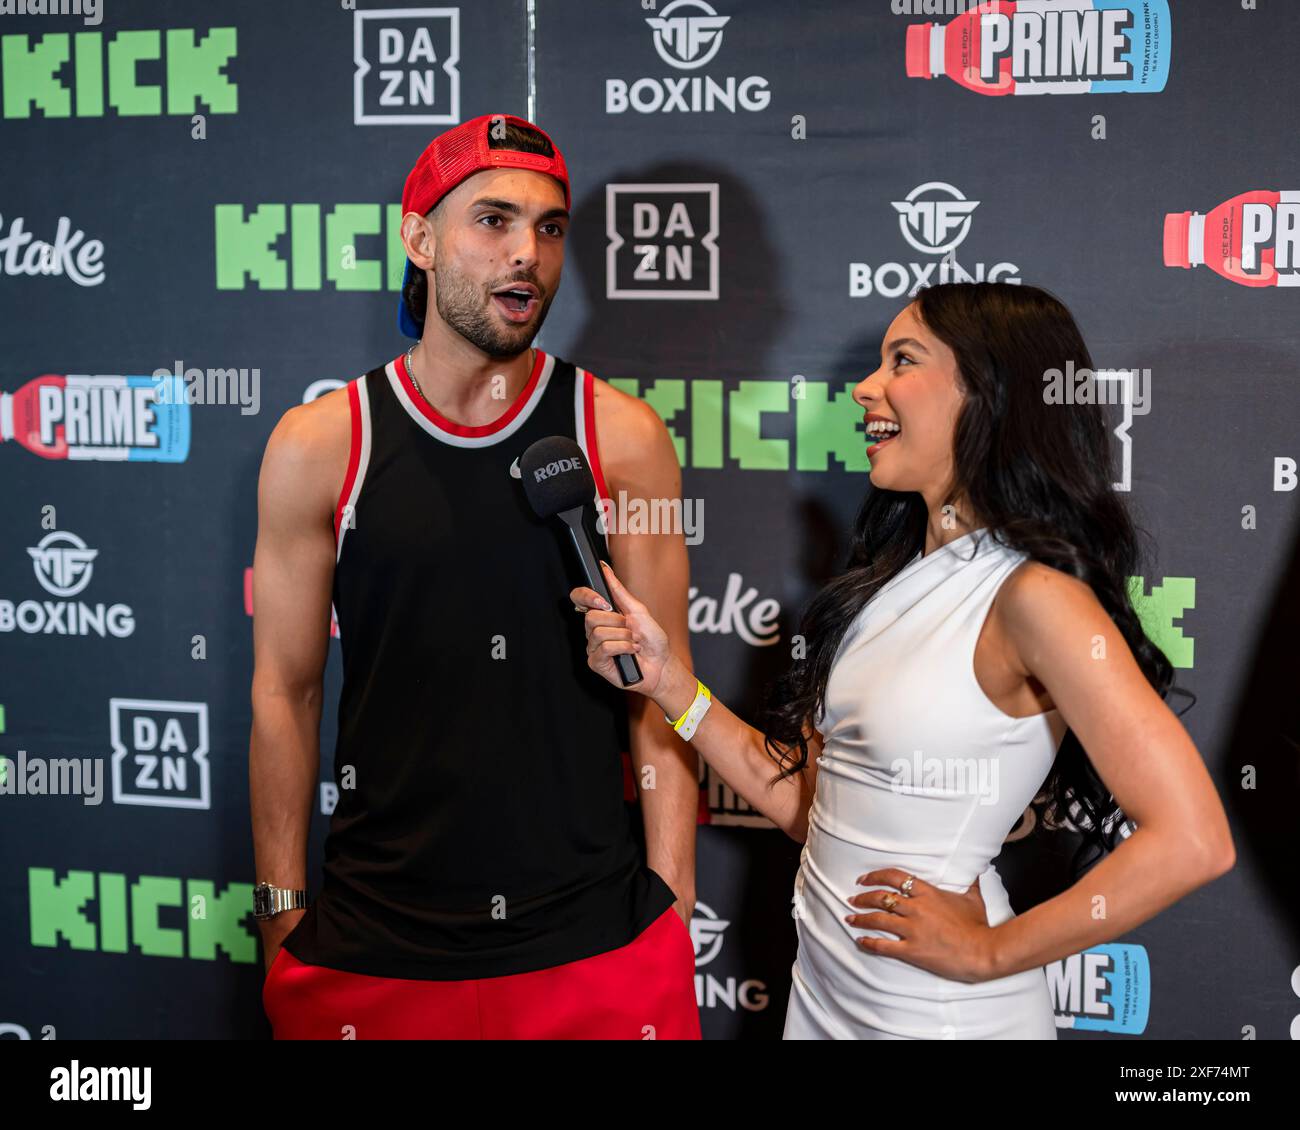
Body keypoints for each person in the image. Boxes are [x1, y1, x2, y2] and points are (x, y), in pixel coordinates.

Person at [570, 281, 1236, 1040]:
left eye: (903, 362)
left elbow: (1193, 838)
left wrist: (990, 951)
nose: (864, 388)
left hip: (940, 1020)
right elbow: (807, 809)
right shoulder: (889, 582)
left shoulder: (1032, 598)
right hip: (824, 1006)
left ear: (987, 395)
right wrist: (671, 687)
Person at [249, 113, 700, 1040]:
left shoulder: (623, 436)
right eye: (492, 221)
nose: (526, 253)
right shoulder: (321, 443)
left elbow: (663, 690)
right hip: (375, 944)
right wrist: (282, 914)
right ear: (418, 239)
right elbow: (283, 695)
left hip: (595, 942)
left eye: (549, 226)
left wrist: (671, 901)